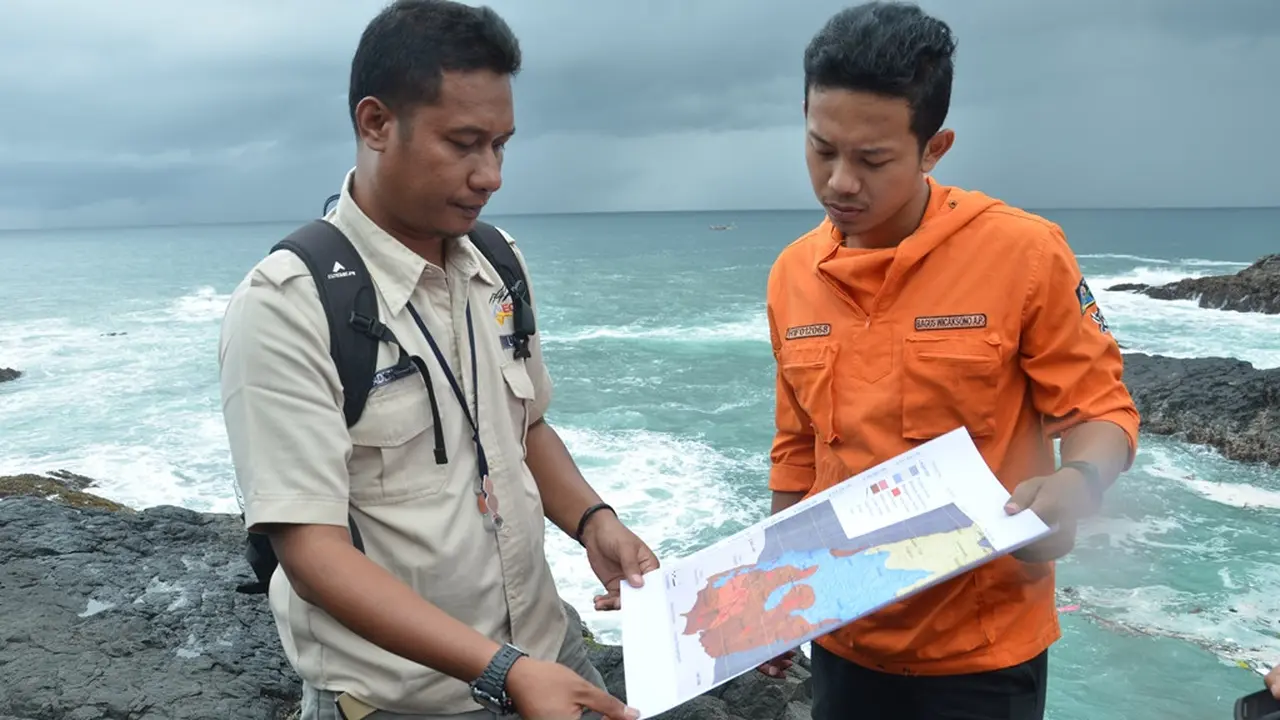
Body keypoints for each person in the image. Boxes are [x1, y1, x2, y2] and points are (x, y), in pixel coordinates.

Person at [217, 2, 653, 718]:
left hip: (547, 656)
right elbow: (310, 551)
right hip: (404, 699)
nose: (492, 175)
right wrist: (503, 672)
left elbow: (525, 429)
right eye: (464, 143)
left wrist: (593, 520)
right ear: (376, 123)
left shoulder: (496, 262)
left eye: (502, 145)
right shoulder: (287, 305)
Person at [756, 3, 1141, 719]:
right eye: (821, 149)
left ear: (935, 148)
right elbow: (798, 452)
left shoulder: (1024, 254)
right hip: (843, 644)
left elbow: (1102, 412)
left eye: (872, 160)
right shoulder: (791, 275)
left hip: (984, 657)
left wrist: (1077, 482)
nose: (840, 182)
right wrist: (779, 601)